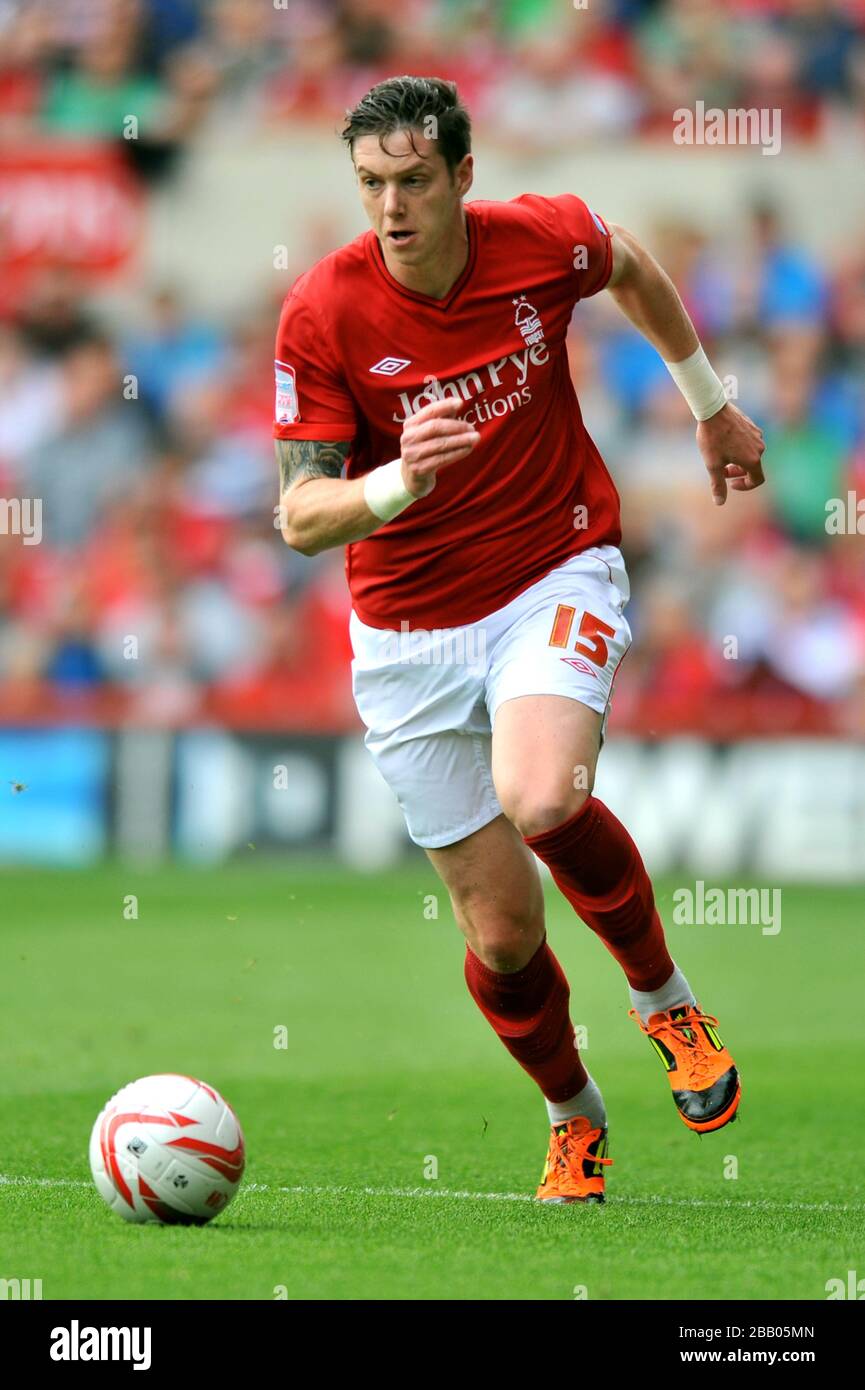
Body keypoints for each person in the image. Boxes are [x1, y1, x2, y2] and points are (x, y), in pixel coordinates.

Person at [273, 76, 765, 1204]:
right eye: (369, 185)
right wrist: (397, 479)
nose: (390, 207)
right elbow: (299, 517)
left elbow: (630, 263)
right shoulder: (324, 311)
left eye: (410, 181)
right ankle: (573, 1115)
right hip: (403, 631)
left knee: (543, 795)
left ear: (460, 177)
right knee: (499, 933)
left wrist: (709, 404)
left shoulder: (541, 240)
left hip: (554, 567)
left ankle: (665, 999)